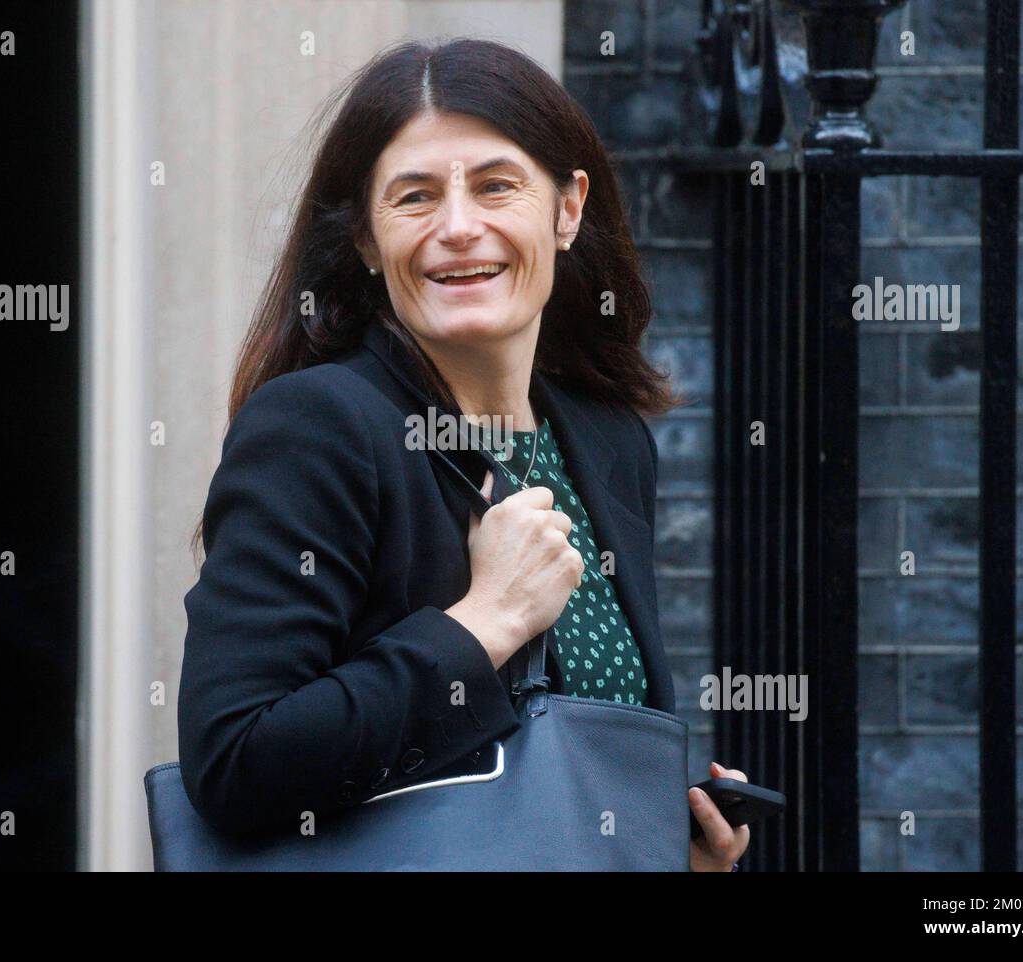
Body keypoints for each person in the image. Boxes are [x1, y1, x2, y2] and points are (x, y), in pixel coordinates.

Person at [178, 38, 751, 872]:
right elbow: (237, 760)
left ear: (567, 208)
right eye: (414, 197)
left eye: (495, 185)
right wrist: (485, 623)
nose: (457, 227)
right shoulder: (317, 427)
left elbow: (545, 767)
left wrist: (657, 832)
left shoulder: (605, 440)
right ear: (369, 243)